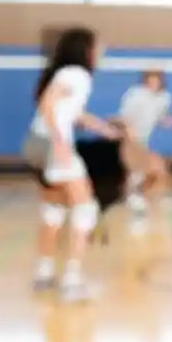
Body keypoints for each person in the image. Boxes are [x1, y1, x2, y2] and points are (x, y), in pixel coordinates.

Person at [21, 27, 121, 303]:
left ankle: (43, 274)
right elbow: (48, 104)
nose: (102, 50)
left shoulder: (66, 75)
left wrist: (104, 129)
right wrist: (61, 144)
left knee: (54, 209)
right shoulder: (77, 74)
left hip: (37, 143)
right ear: (85, 49)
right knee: (84, 208)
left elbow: (72, 113)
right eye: (98, 45)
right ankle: (72, 281)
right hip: (54, 146)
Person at [117, 70, 172, 225]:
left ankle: (136, 196)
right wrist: (129, 132)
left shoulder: (164, 97)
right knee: (142, 168)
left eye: (156, 80)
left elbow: (159, 115)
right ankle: (134, 199)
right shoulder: (135, 94)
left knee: (154, 172)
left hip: (144, 139)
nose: (153, 83)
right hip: (129, 138)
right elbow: (123, 116)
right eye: (150, 80)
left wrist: (165, 121)